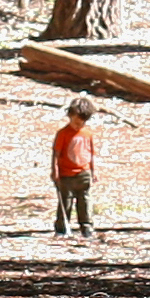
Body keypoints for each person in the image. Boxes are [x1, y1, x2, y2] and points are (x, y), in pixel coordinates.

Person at [51, 96, 99, 237]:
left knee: (85, 201)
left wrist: (94, 170)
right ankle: (62, 228)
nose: (78, 126)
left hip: (84, 172)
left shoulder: (87, 133)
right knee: (65, 202)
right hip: (66, 174)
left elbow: (91, 153)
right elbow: (56, 153)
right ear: (70, 116)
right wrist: (55, 170)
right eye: (76, 122)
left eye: (82, 123)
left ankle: (87, 227)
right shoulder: (63, 134)